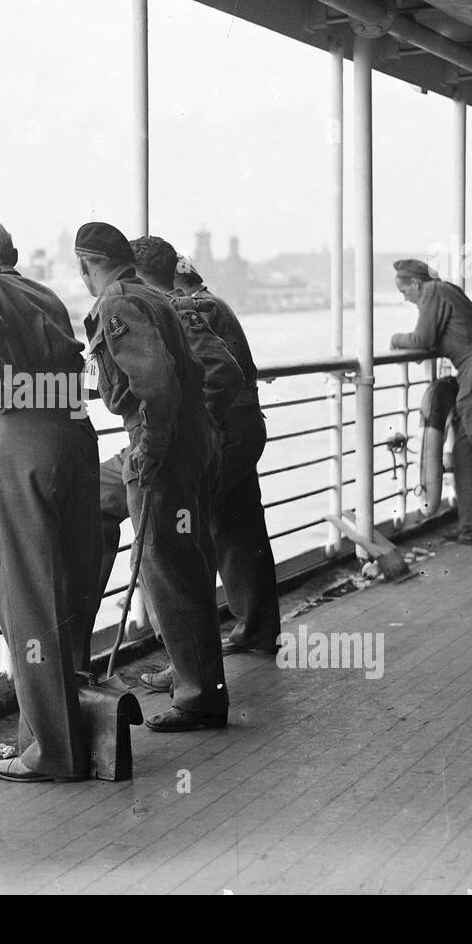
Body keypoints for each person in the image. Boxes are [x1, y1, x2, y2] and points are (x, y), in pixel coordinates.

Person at [0, 217, 101, 783]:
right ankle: (44, 731)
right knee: (65, 582)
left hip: (26, 439)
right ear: (13, 252)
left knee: (25, 590)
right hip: (74, 431)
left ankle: (53, 750)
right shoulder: (44, 291)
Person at [78, 222, 227, 732]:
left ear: (85, 266)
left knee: (169, 564)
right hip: (190, 436)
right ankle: (199, 686)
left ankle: (200, 698)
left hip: (161, 440)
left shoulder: (118, 303)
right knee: (179, 557)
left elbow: (157, 384)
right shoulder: (151, 294)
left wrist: (150, 447)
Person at [104, 237, 243, 697]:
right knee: (174, 559)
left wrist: (196, 426)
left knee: (171, 561)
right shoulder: (167, 306)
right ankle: (189, 670)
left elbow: (221, 372)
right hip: (179, 444)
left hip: (167, 447)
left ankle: (196, 683)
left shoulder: (163, 308)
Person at [171, 253, 282, 656]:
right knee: (239, 527)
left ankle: (189, 655)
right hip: (244, 423)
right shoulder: (211, 301)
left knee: (183, 532)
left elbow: (213, 376)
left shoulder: (191, 307)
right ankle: (257, 630)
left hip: (226, 429)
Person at [390, 260, 472, 544]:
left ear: (416, 283)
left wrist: (396, 339)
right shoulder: (447, 290)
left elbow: (423, 338)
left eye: (403, 290)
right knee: (464, 450)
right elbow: (430, 342)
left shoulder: (433, 292)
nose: (404, 297)